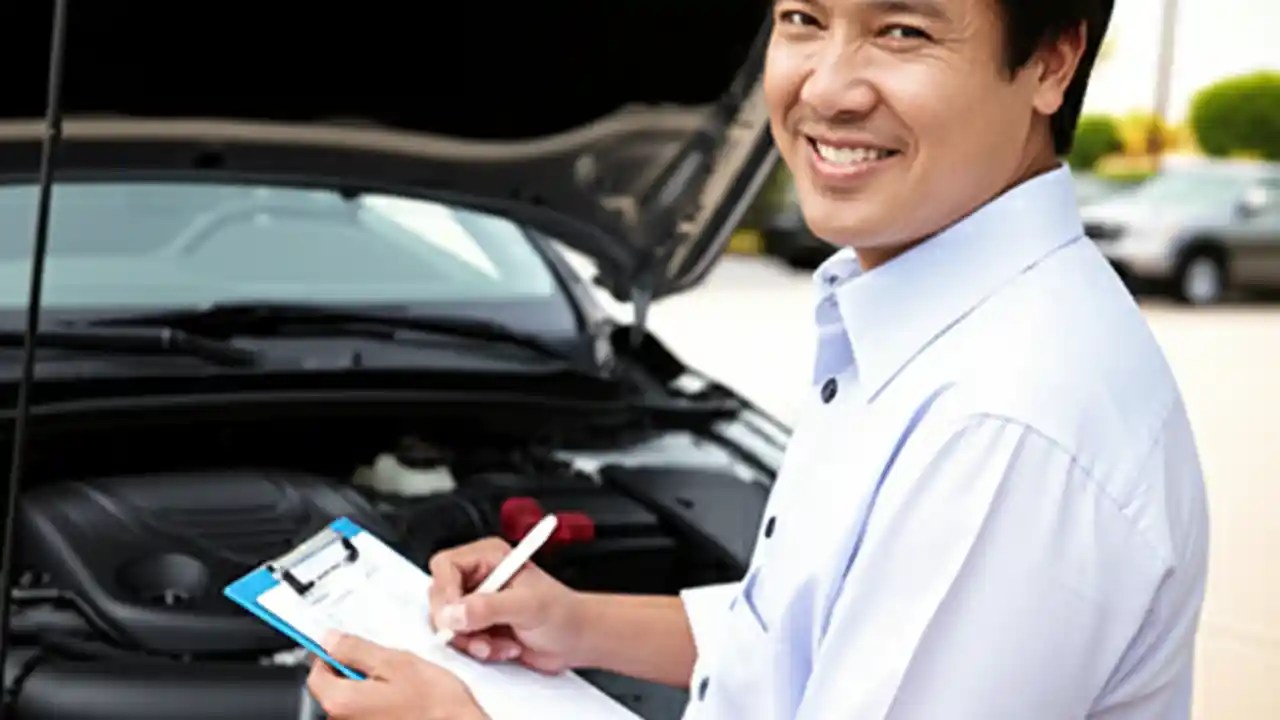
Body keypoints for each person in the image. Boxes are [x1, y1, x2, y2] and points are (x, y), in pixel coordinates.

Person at [306, 0, 1211, 717]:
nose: (826, 89)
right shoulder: (928, 322)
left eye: (903, 29)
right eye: (802, 20)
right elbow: (799, 642)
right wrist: (574, 623)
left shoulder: (1008, 424)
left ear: (1051, 60)